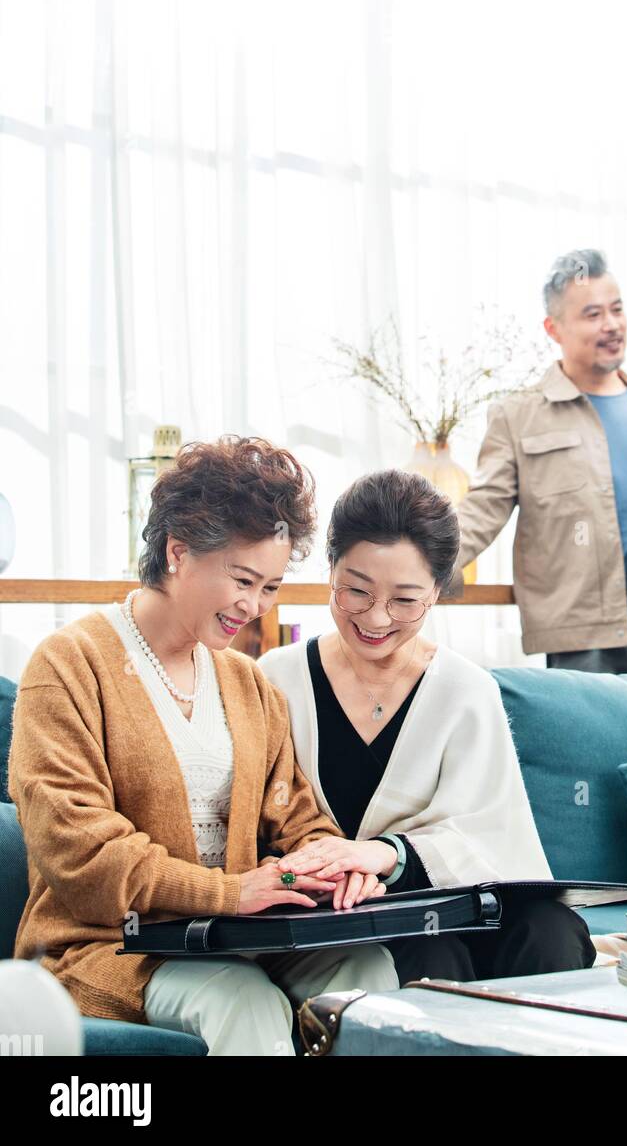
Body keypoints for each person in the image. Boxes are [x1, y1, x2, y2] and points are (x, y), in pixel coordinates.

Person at [8, 436, 398, 1056]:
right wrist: (226, 894)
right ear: (178, 551)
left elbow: (295, 818)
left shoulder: (249, 684)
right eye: (242, 580)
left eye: (269, 588)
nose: (253, 606)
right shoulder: (69, 665)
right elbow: (76, 850)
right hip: (110, 943)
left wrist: (333, 864)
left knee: (366, 970)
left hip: (236, 933)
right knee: (240, 999)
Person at [259, 468, 597, 986]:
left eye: (404, 600)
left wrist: (389, 855)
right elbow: (255, 822)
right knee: (427, 959)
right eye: (356, 591)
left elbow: (496, 841)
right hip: (335, 914)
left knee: (550, 932)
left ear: (437, 591)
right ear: (331, 571)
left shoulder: (466, 690)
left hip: (454, 901)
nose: (375, 619)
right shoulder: (275, 680)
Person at [443, 248, 627, 674]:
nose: (612, 324)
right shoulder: (519, 416)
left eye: (617, 310)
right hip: (583, 640)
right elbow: (483, 510)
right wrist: (419, 566)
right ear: (553, 328)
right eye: (593, 314)